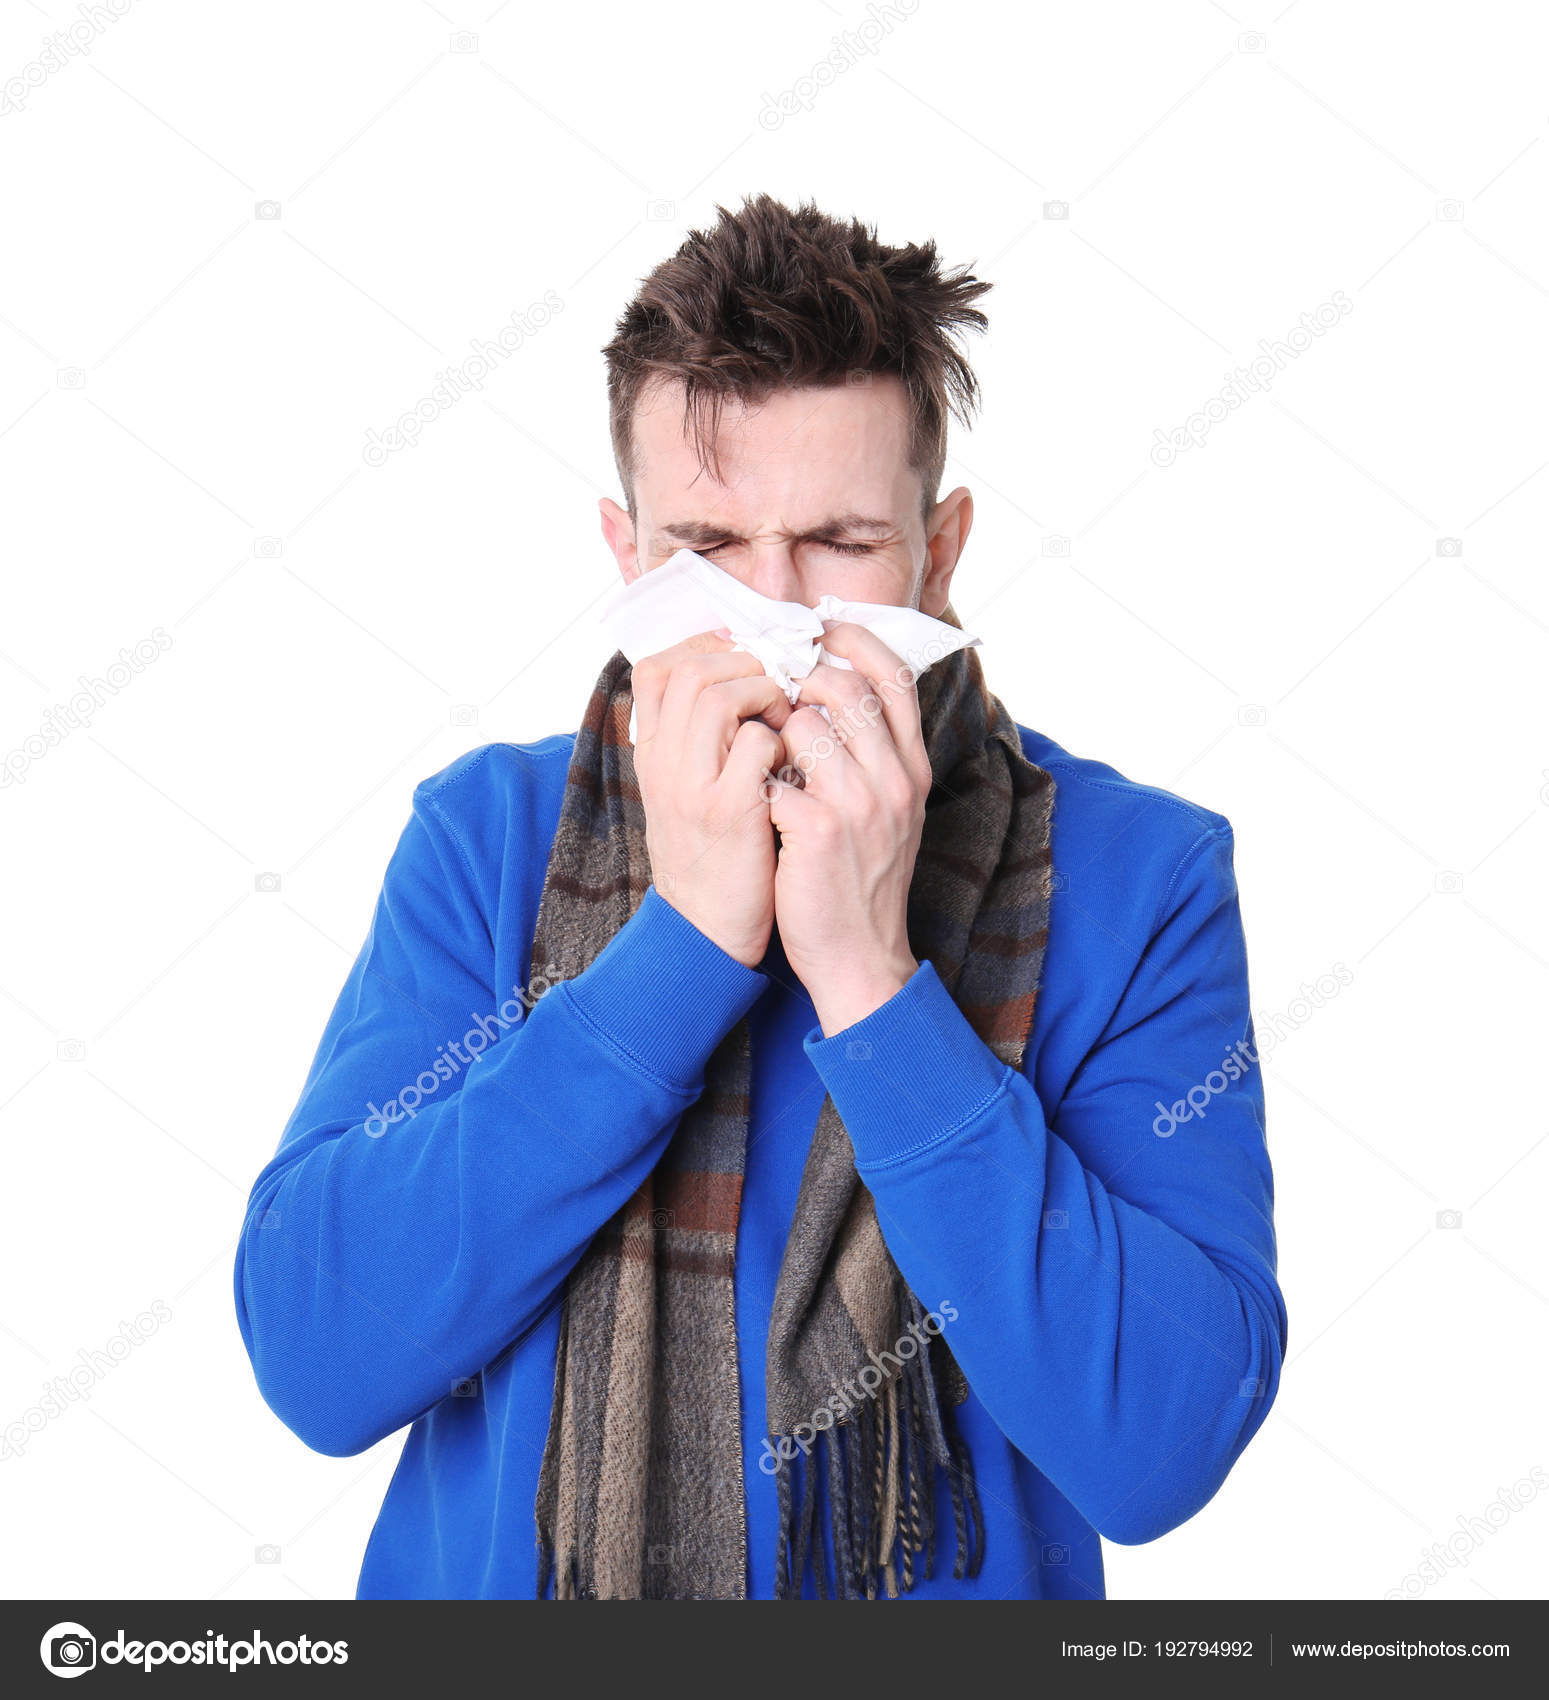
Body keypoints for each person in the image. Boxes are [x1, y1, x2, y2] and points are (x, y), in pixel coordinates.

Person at [235, 193, 1286, 1601]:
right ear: (625, 557)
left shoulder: (1133, 873)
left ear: (940, 549)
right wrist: (677, 951)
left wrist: (871, 983)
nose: (772, 612)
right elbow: (320, 1361)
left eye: (841, 540)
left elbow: (1156, 1449)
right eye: (708, 549)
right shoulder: (487, 836)